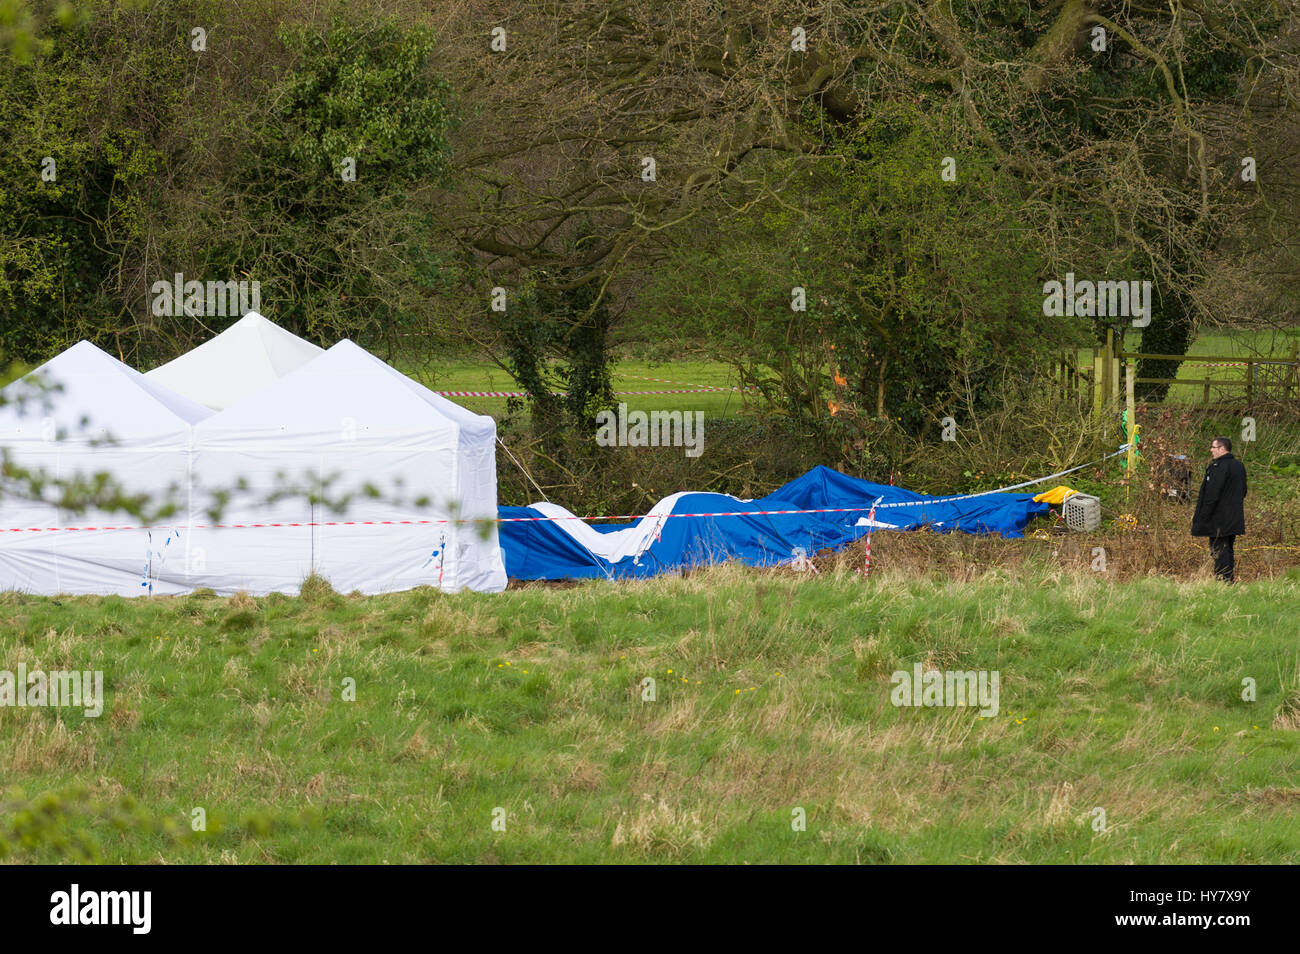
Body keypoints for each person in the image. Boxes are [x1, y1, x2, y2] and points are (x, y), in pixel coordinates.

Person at [1190, 436, 1247, 582]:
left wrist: (1203, 517)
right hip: (1234, 517)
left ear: (1222, 449)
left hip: (1218, 519)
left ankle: (1223, 581)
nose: (1211, 450)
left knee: (1219, 550)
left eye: (1213, 447)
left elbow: (1212, 494)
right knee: (1228, 549)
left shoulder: (1218, 467)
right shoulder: (1239, 466)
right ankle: (1228, 580)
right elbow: (1244, 491)